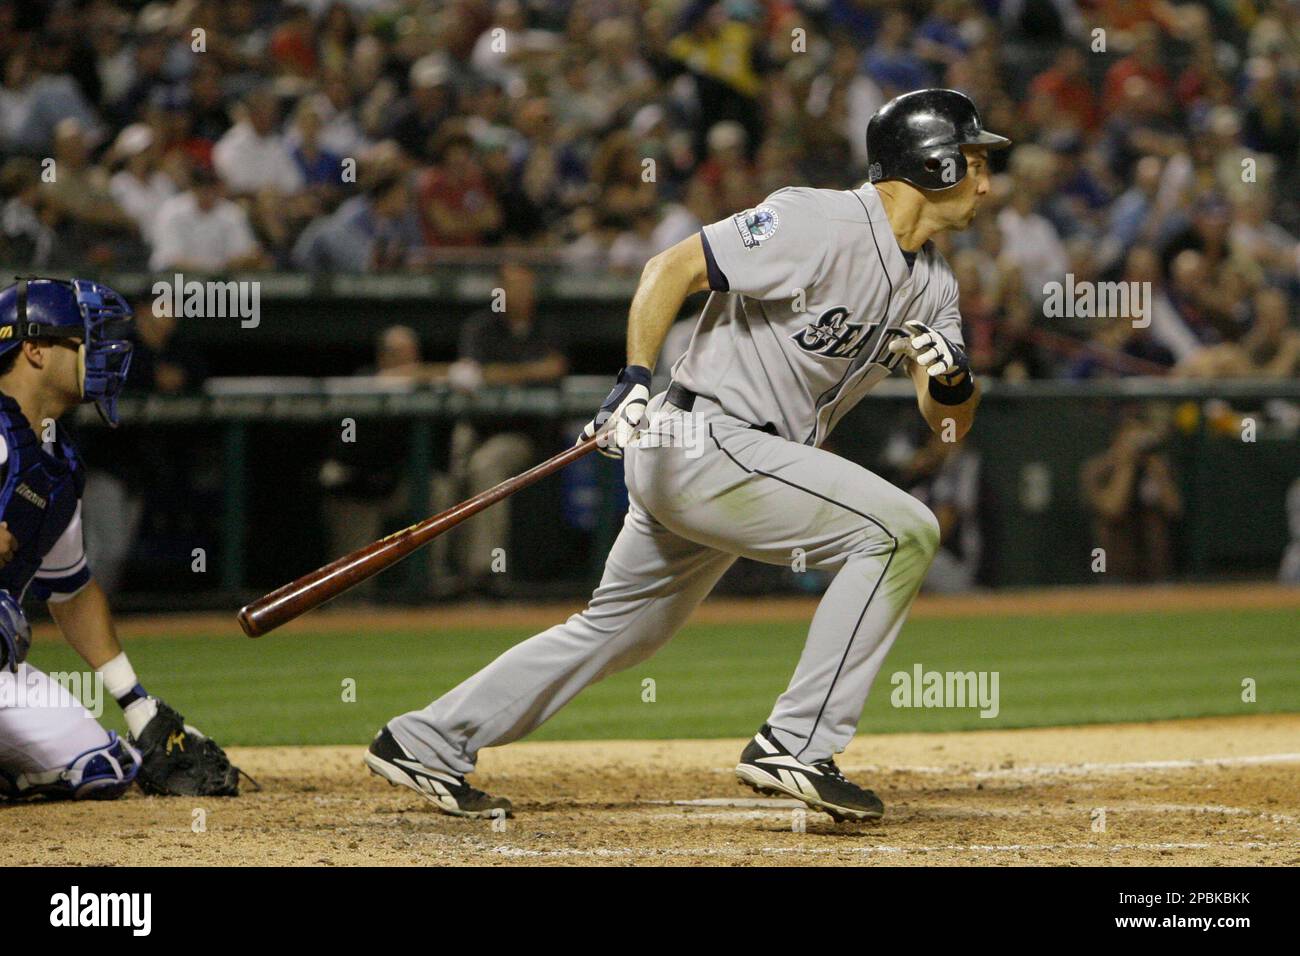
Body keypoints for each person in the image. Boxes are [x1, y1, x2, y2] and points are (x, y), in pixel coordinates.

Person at [366, 89, 1005, 823]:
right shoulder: (817, 218)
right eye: (976, 160)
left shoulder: (935, 281)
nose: (986, 182)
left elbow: (946, 417)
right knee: (903, 531)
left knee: (617, 631)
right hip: (705, 437)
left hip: (737, 459)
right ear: (933, 160)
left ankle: (427, 739)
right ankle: (797, 741)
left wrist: (952, 383)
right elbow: (670, 269)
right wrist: (631, 382)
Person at [0, 277, 241, 799]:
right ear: (35, 350)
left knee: (103, 767)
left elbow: (72, 591)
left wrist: (136, 702)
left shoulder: (55, 465)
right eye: (84, 339)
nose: (101, 352)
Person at [446, 263, 567, 593]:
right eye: (513, 287)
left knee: (486, 464)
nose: (521, 294)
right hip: (480, 427)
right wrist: (528, 371)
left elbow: (554, 369)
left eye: (526, 287)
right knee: (452, 466)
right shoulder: (481, 327)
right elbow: (474, 375)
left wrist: (502, 373)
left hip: (526, 433)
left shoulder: (546, 327)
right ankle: (441, 575)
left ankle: (484, 572)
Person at [1080, 413, 1182, 582]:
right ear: (1116, 441)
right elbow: (1112, 510)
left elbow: (1174, 510)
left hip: (1153, 566)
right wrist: (1126, 464)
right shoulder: (1096, 470)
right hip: (1107, 563)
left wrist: (1159, 475)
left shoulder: (1156, 466)